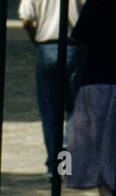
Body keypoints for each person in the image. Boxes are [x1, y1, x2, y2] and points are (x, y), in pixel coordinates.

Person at [64, 0, 116, 196]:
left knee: (97, 142)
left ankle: (106, 194)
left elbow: (78, 37)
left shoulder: (96, 4)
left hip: (95, 78)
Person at [20, 0, 85, 178]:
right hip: (74, 46)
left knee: (50, 111)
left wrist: (35, 38)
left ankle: (53, 164)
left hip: (46, 46)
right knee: (73, 110)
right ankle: (65, 164)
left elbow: (25, 18)